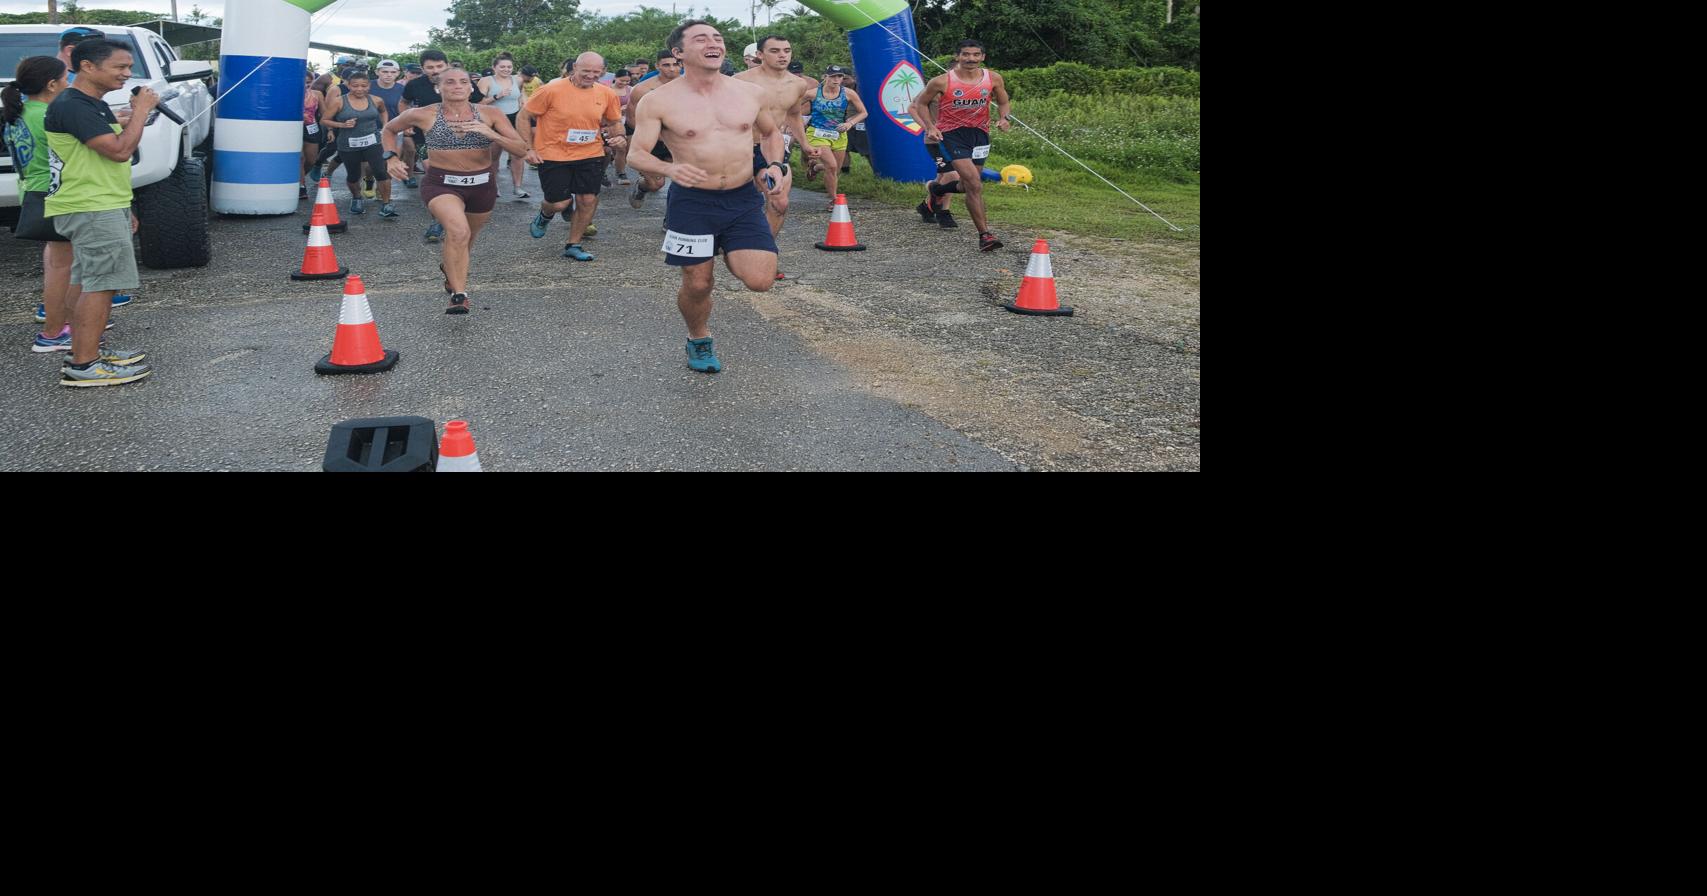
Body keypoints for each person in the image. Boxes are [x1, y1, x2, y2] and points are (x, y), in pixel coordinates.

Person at [627, 20, 790, 373]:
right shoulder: (657, 100)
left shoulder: (748, 93)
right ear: (678, 53)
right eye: (701, 39)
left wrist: (775, 165)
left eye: (717, 37)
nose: (713, 42)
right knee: (699, 283)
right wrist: (670, 170)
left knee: (761, 281)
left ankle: (731, 247)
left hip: (743, 199)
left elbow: (771, 134)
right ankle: (698, 339)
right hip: (692, 203)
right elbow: (636, 154)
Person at [44, 38, 153, 386]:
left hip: (101, 201)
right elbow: (120, 152)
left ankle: (84, 352)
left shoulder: (91, 104)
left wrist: (127, 204)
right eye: (119, 67)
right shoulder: (75, 105)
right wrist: (141, 112)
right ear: (88, 66)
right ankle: (85, 364)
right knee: (101, 284)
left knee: (86, 281)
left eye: (127, 66)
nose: (127, 73)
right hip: (91, 205)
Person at [384, 67, 528, 313]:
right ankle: (459, 295)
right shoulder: (422, 114)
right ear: (439, 87)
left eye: (463, 82)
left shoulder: (491, 113)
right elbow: (388, 130)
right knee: (458, 232)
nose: (458, 86)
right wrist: (391, 158)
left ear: (471, 88)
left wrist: (491, 134)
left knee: (466, 240)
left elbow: (521, 149)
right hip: (441, 183)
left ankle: (450, 269)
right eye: (450, 82)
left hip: (482, 184)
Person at [518, 52, 625, 262]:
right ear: (575, 67)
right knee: (559, 203)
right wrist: (528, 149)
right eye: (586, 71)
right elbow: (524, 116)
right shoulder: (550, 90)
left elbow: (614, 121)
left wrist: (620, 136)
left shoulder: (606, 93)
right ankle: (545, 214)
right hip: (553, 154)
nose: (591, 76)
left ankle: (573, 244)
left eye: (596, 72)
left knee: (587, 200)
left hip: (591, 153)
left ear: (603, 71)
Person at [909, 39, 1011, 252]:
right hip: (951, 135)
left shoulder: (993, 78)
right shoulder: (941, 81)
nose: (970, 59)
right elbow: (920, 104)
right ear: (957, 56)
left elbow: (1003, 101)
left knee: (967, 185)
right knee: (974, 183)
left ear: (982, 57)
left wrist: (1004, 118)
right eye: (966, 54)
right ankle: (985, 235)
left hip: (980, 135)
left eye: (975, 55)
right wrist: (930, 126)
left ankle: (937, 189)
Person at [733, 35, 815, 277]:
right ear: (760, 54)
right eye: (775, 50)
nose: (783, 55)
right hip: (741, 149)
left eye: (787, 50)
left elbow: (793, 115)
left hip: (773, 151)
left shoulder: (797, 84)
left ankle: (763, 256)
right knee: (734, 203)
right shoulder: (740, 82)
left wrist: (806, 144)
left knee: (779, 202)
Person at [402, 50, 485, 242]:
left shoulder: (462, 81)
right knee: (435, 172)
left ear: (447, 65)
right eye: (430, 67)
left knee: (458, 173)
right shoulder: (414, 84)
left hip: (463, 137)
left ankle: (460, 210)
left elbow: (482, 103)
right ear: (422, 68)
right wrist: (406, 123)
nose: (435, 71)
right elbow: (403, 102)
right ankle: (438, 220)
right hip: (427, 138)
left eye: (440, 66)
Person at [321, 70, 396, 217]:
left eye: (364, 86)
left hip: (372, 141)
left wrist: (385, 126)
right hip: (348, 144)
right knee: (354, 175)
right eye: (355, 86)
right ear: (348, 85)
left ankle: (386, 204)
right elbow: (324, 120)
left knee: (381, 171)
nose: (360, 89)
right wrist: (342, 125)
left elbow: (383, 111)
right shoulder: (339, 101)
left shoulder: (376, 100)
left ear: (369, 86)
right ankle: (356, 198)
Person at [624, 48, 681, 209]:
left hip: (678, 141)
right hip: (650, 141)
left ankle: (670, 218)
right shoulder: (643, 89)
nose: (672, 68)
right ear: (657, 66)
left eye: (676, 64)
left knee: (681, 181)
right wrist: (651, 134)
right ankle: (642, 187)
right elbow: (631, 118)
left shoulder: (691, 87)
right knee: (656, 184)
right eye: (666, 65)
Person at [803, 65, 867, 202]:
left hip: (839, 135)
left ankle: (815, 167)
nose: (836, 79)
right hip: (816, 133)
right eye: (832, 76)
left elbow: (863, 112)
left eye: (839, 76)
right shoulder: (812, 93)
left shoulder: (848, 93)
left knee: (835, 170)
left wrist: (850, 123)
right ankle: (834, 200)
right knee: (831, 166)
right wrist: (792, 123)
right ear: (825, 77)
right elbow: (792, 109)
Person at [479, 53, 529, 198]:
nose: (506, 69)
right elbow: (478, 103)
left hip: (514, 119)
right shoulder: (486, 80)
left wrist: (524, 104)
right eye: (502, 67)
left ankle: (518, 187)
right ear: (494, 67)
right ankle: (493, 186)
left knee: (518, 153)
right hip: (494, 119)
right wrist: (497, 96)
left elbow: (521, 95)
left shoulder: (518, 80)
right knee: (494, 155)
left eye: (509, 67)